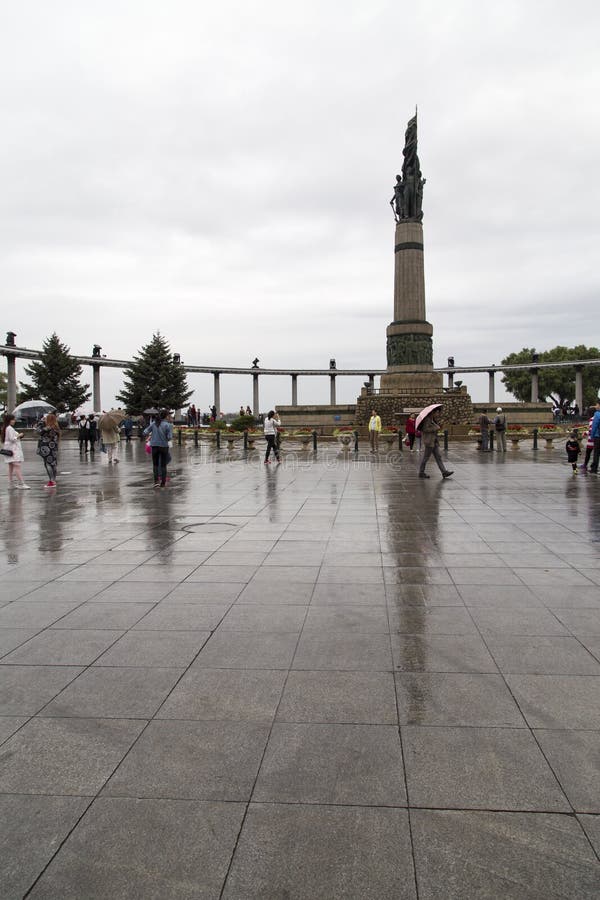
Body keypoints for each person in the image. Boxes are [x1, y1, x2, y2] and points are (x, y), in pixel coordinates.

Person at [418, 410, 453, 480]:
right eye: (437, 412)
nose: (438, 414)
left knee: (438, 457)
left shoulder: (432, 420)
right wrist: (436, 428)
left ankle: (444, 472)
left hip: (434, 441)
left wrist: (439, 426)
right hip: (429, 441)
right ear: (432, 413)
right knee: (426, 457)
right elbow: (425, 429)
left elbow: (434, 429)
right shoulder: (427, 420)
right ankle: (421, 472)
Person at [143, 409, 173, 487]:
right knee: (163, 465)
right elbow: (169, 437)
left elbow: (145, 432)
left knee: (155, 465)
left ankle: (156, 481)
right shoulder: (167, 425)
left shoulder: (154, 423)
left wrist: (151, 435)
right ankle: (163, 483)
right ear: (166, 416)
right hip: (164, 447)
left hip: (154, 446)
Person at [2, 413, 30, 489]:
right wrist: (19, 435)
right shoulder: (9, 428)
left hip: (10, 450)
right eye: (13, 419)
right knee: (17, 466)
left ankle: (11, 484)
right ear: (9, 420)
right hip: (13, 451)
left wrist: (19, 436)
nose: (14, 421)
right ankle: (21, 483)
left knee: (11, 467)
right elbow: (12, 439)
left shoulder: (7, 428)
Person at [36, 413, 60, 487]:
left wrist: (40, 422)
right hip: (54, 448)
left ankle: (51, 481)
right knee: (53, 464)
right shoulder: (56, 427)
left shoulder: (47, 428)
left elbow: (38, 431)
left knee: (47, 464)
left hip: (46, 448)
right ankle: (54, 480)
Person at [588, 401, 600, 474]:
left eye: (597, 405)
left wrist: (592, 436)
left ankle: (594, 469)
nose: (596, 406)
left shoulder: (597, 414)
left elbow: (594, 426)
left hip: (598, 436)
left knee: (596, 453)